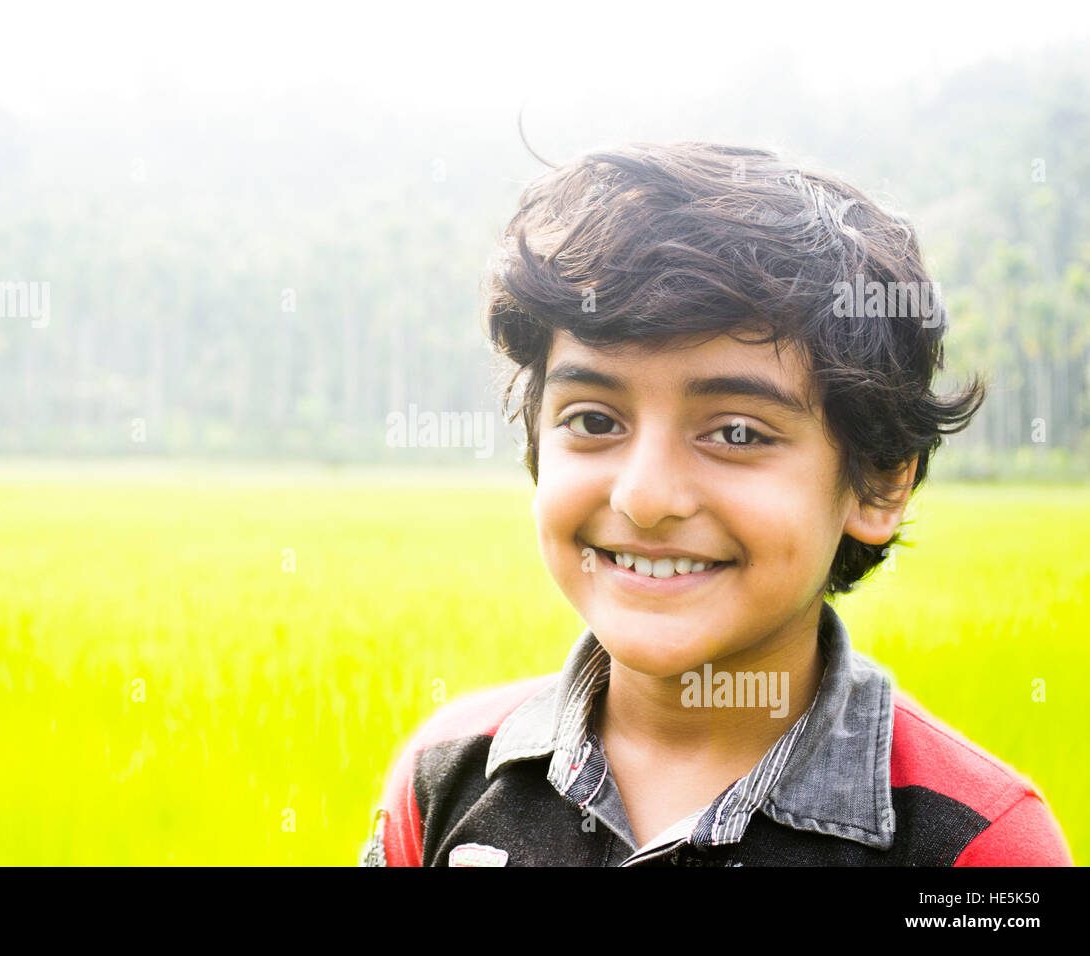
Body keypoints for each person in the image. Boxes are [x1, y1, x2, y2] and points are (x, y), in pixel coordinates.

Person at [359, 142, 1074, 866]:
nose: (644, 497)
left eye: (736, 433)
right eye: (594, 421)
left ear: (878, 482)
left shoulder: (975, 844)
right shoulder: (447, 779)